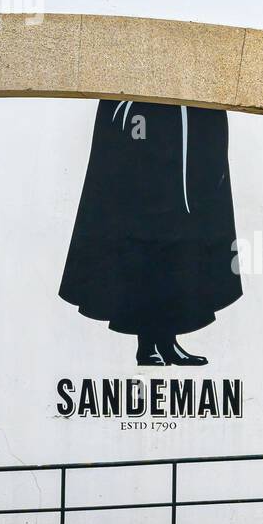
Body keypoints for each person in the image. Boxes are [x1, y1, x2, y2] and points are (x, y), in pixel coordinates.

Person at [59, 99, 242, 366]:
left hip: (185, 132)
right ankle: (148, 345)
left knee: (179, 245)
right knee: (145, 241)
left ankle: (167, 340)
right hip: (142, 138)